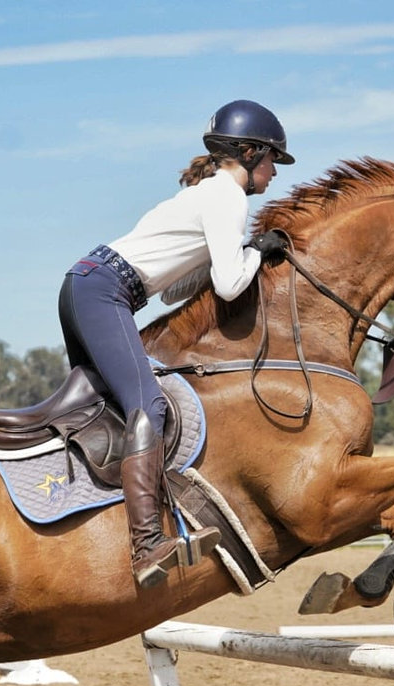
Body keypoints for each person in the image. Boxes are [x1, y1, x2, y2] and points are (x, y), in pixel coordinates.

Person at [58, 99, 295, 589]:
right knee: (149, 406)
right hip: (104, 292)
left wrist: (239, 254)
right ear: (250, 153)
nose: (274, 172)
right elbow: (230, 286)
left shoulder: (207, 195)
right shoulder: (229, 196)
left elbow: (173, 290)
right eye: (273, 159)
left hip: (86, 284)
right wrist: (256, 252)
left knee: (104, 410)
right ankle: (147, 545)